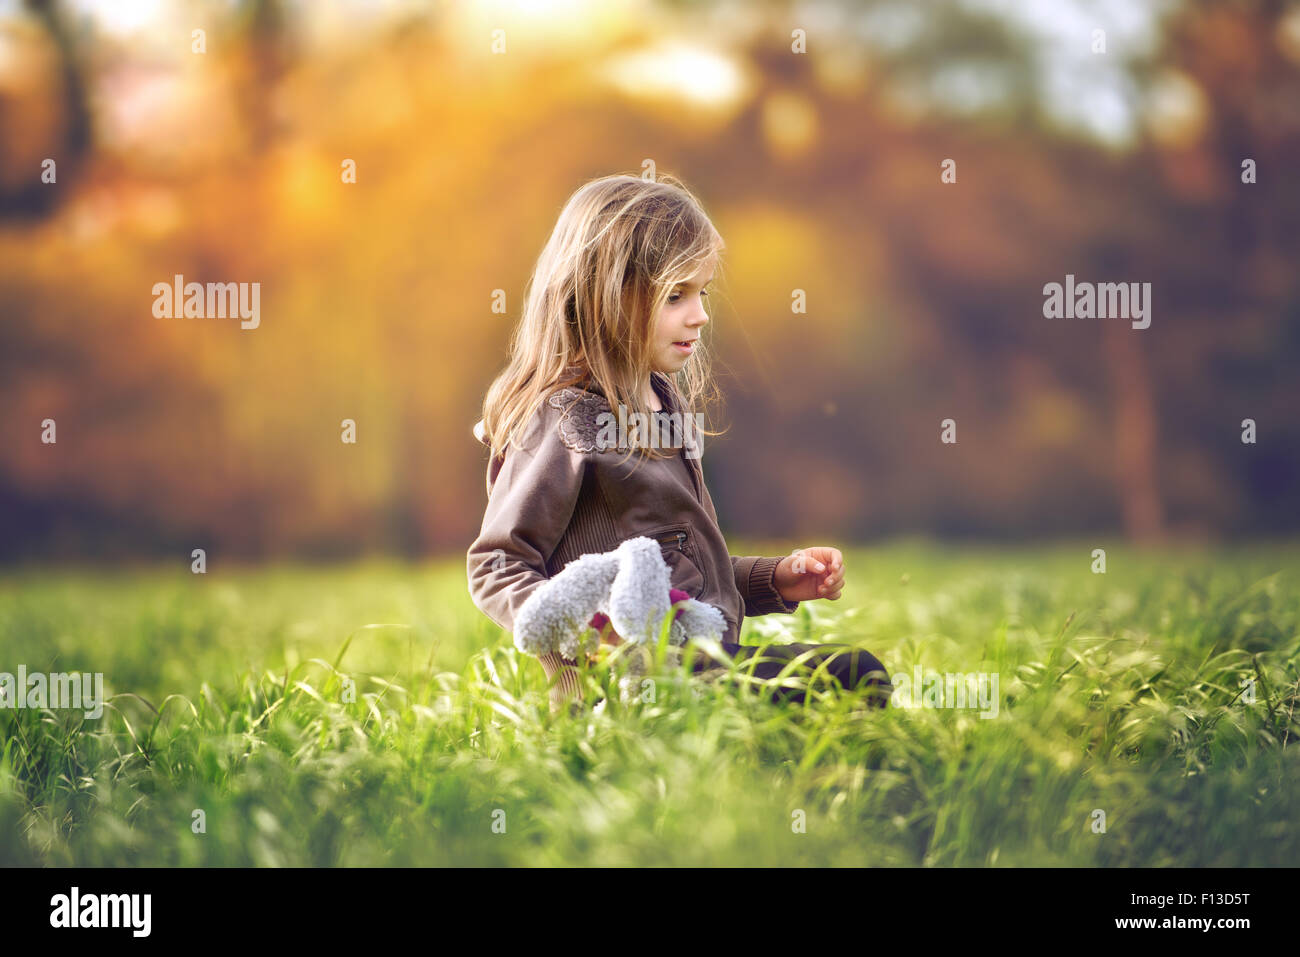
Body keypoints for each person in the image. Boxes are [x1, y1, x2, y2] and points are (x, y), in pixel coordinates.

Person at [466, 172, 891, 714]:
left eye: (703, 292)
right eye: (675, 295)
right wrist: (595, 633)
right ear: (604, 297)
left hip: (706, 665)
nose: (701, 314)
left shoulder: (665, 407)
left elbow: (684, 568)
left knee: (853, 681)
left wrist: (776, 580)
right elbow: (497, 563)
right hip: (629, 692)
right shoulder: (564, 417)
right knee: (852, 677)